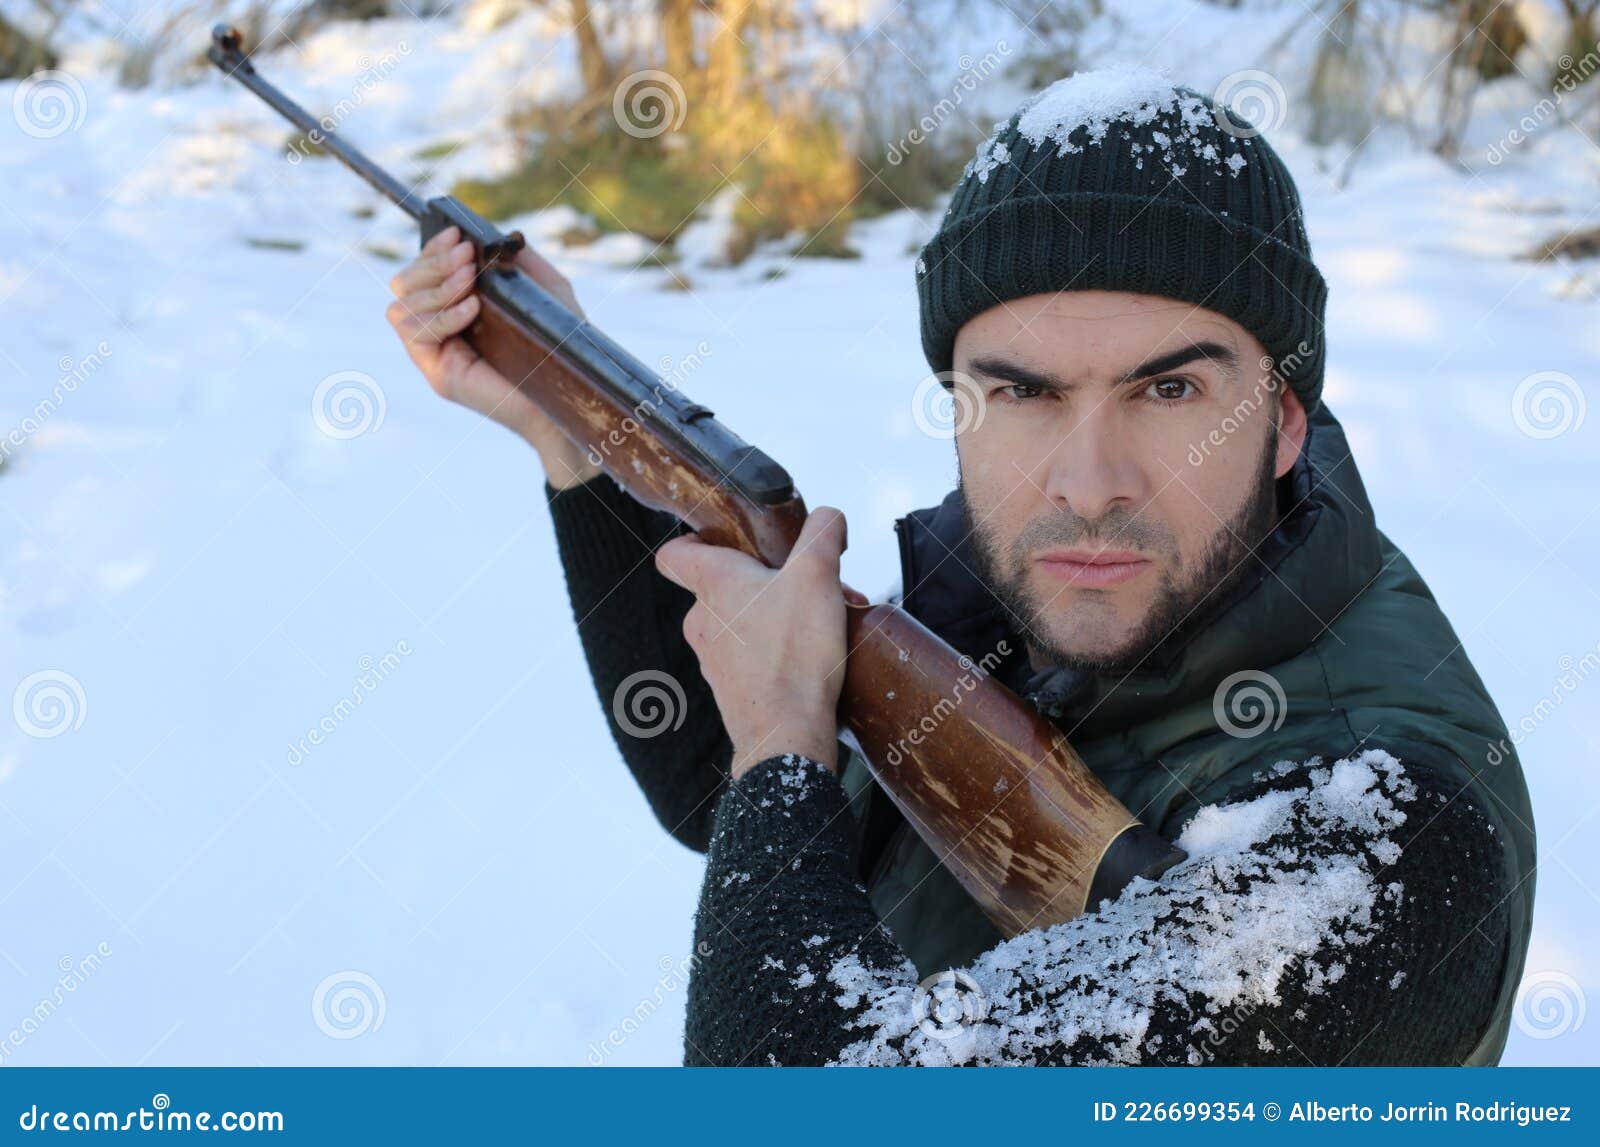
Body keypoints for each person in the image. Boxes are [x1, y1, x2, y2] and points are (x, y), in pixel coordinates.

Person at [384, 68, 1535, 1066]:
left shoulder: (1391, 845)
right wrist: (578, 439)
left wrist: (783, 735)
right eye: (1022, 392)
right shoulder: (1000, 609)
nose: (1088, 483)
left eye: (1169, 388)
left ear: (1281, 422)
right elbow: (717, 787)